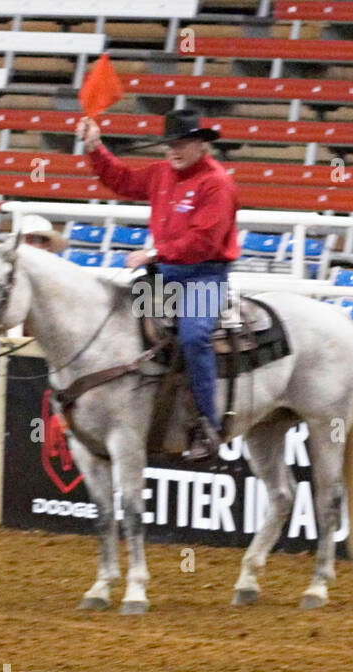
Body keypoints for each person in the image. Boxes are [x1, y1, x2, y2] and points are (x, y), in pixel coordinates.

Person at [78, 108, 240, 460]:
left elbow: (205, 241)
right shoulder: (161, 174)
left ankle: (206, 425)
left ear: (201, 145)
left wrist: (154, 253)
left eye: (181, 144)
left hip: (204, 275)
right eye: (170, 145)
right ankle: (132, 411)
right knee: (121, 327)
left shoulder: (217, 184)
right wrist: (95, 148)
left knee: (195, 336)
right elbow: (121, 180)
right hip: (167, 273)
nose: (174, 152)